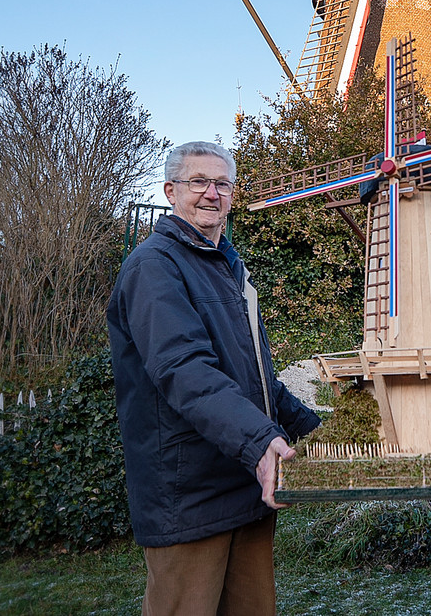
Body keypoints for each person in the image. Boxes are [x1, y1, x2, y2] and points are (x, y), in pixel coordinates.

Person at [107, 140, 320, 616]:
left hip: (246, 485)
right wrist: (260, 442)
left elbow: (257, 379)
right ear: (171, 192)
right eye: (199, 181)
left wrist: (316, 431)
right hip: (191, 495)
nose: (212, 193)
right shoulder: (154, 266)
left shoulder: (229, 269)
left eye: (222, 184)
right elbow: (185, 369)